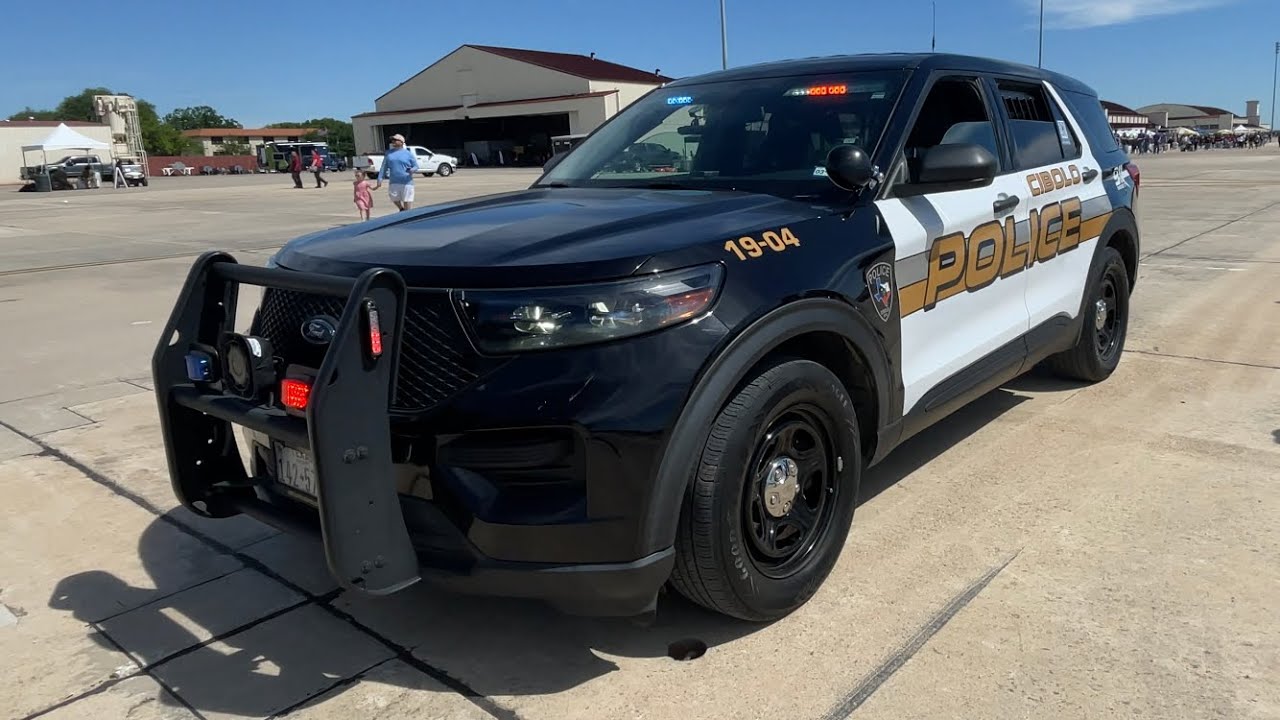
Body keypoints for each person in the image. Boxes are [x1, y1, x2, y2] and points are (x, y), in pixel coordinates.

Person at [374, 134, 419, 211]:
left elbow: (416, 166)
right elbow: (384, 167)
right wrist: (379, 179)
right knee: (393, 198)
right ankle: (401, 208)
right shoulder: (388, 153)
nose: (393, 141)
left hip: (407, 182)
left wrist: (412, 170)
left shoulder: (408, 154)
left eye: (395, 140)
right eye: (392, 140)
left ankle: (407, 215)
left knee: (407, 200)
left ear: (401, 142)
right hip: (394, 181)